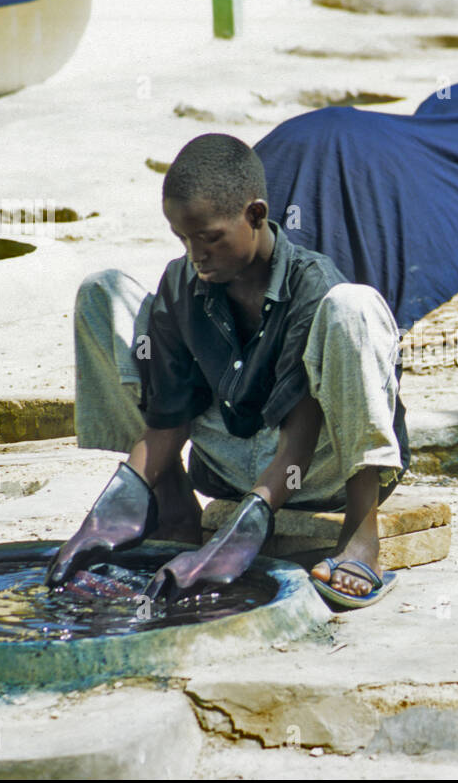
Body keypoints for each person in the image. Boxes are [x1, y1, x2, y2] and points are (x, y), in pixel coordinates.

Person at [48, 133, 410, 608]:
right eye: (183, 238)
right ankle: (173, 508)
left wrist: (243, 531)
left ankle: (362, 534)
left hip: (315, 467)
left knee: (353, 306)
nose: (196, 254)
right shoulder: (184, 280)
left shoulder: (310, 285)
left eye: (210, 238)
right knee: (103, 292)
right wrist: (114, 506)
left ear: (255, 215)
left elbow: (300, 438)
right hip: (226, 464)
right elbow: (168, 416)